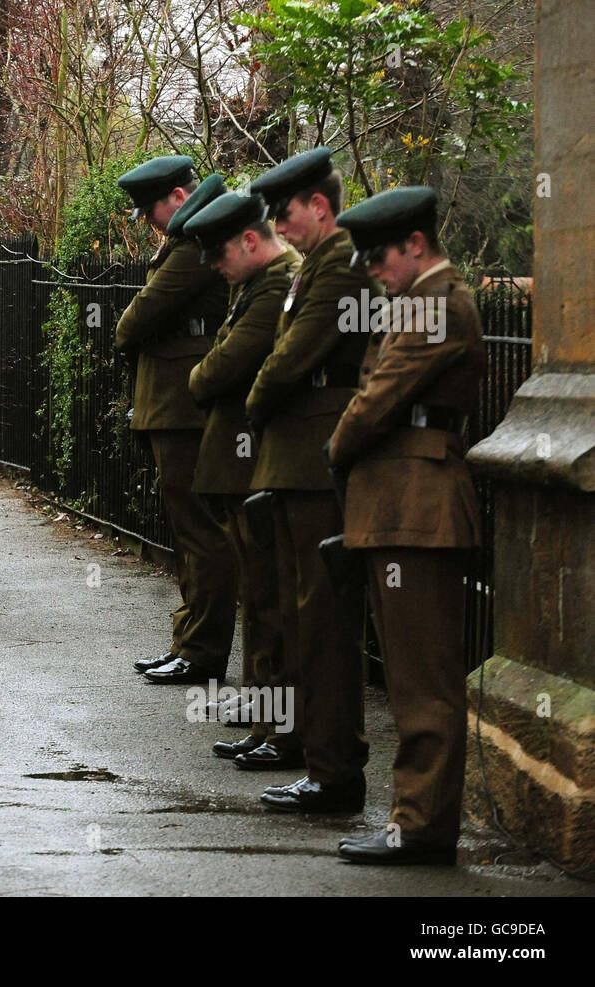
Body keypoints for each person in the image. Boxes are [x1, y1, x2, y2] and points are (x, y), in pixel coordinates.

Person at [330, 187, 484, 865]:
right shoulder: (423, 300)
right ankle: (415, 817)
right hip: (403, 504)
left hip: (418, 505)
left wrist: (335, 446)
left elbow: (375, 400)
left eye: (380, 256)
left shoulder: (435, 303)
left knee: (424, 682)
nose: (372, 270)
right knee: (411, 676)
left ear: (414, 245)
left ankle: (420, 825)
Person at [244, 146, 373, 811]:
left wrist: (256, 399)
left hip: (314, 461)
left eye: (286, 214)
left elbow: (293, 356)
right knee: (302, 617)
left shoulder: (342, 264)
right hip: (295, 461)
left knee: (322, 622)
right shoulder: (320, 262)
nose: (279, 227)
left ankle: (334, 771)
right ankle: (321, 757)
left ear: (319, 207)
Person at [184, 191, 302, 764]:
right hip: (242, 462)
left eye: (219, 253)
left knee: (270, 601)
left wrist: (202, 376)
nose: (212, 266)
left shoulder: (279, 283)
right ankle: (263, 715)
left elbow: (226, 365)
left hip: (255, 460)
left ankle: (277, 724)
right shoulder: (257, 282)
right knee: (259, 600)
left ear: (250, 240)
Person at [114, 159, 237, 684]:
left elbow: (137, 318)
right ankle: (189, 640)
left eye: (151, 210)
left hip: (185, 407)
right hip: (174, 405)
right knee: (189, 533)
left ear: (181, 195)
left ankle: (202, 650)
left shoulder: (193, 248)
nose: (147, 221)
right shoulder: (190, 242)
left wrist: (125, 333)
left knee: (201, 534)